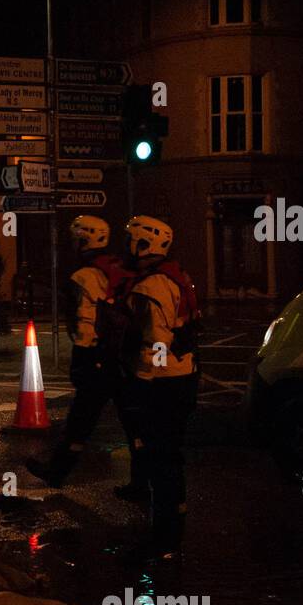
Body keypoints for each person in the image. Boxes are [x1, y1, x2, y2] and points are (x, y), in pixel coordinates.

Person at [24, 215, 147, 496]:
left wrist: (82, 357)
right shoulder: (118, 269)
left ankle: (56, 472)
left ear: (83, 240)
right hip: (124, 358)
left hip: (98, 358)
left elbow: (85, 322)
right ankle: (141, 483)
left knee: (81, 419)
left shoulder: (84, 276)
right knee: (134, 425)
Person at [121, 215, 201, 564]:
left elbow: (156, 341)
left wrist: (142, 383)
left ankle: (164, 539)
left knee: (161, 461)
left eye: (131, 240)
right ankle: (171, 534)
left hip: (164, 383)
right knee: (171, 459)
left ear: (143, 244)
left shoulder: (151, 287)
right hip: (185, 376)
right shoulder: (176, 277)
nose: (127, 247)